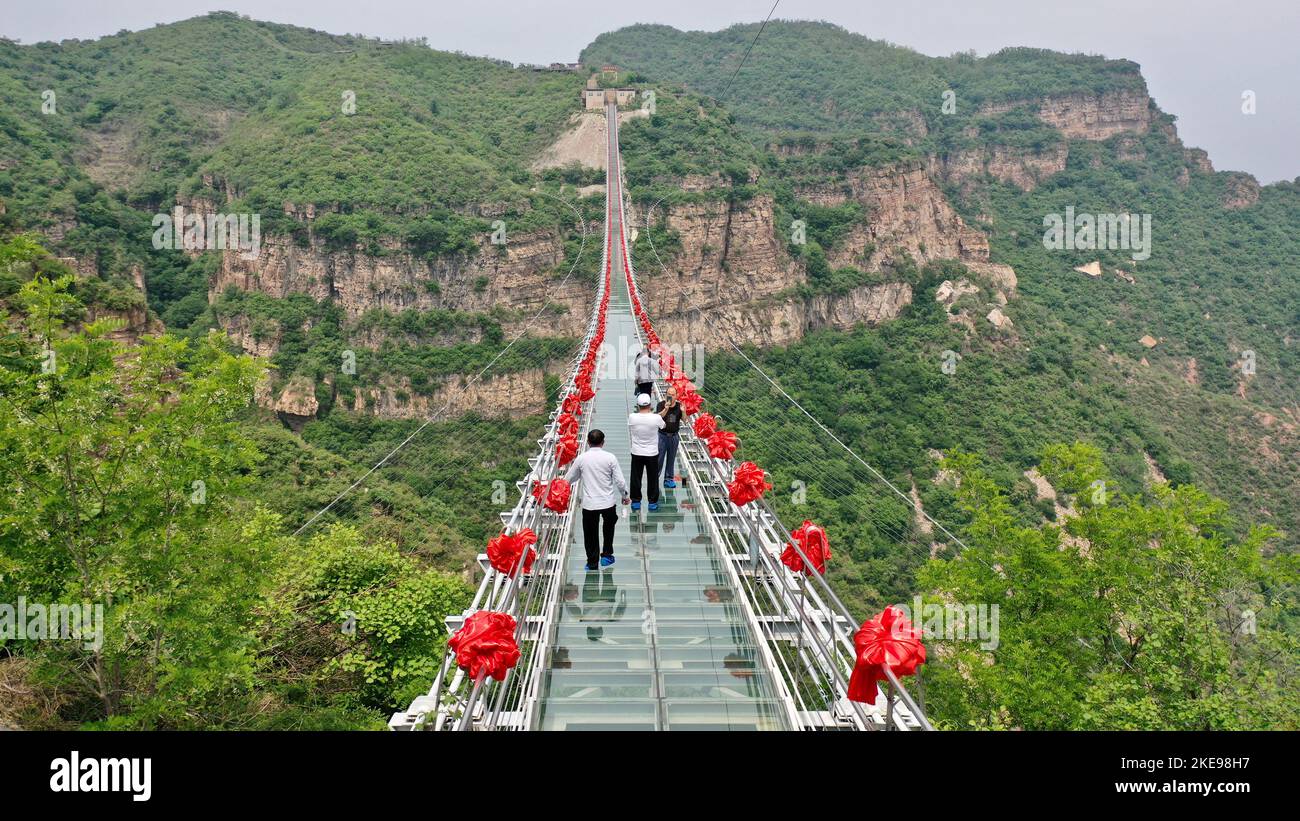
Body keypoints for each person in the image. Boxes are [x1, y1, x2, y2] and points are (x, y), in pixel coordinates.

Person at [564, 429, 629, 570]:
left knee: (590, 533)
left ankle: (592, 562)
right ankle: (606, 555)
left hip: (590, 504)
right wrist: (625, 496)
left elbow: (569, 479)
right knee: (609, 527)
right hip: (608, 502)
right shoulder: (610, 458)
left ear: (588, 442)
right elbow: (620, 481)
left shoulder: (582, 458)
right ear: (603, 442)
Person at [627, 393, 668, 510]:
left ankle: (635, 500)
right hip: (652, 453)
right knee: (653, 478)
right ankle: (652, 501)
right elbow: (663, 426)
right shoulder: (656, 418)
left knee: (636, 477)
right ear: (650, 405)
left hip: (636, 452)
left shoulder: (632, 417)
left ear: (638, 405)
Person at [656, 386, 684, 488]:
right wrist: (666, 408)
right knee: (659, 458)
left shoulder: (679, 406)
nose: (670, 396)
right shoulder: (661, 405)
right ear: (665, 395)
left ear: (676, 396)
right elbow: (658, 417)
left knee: (671, 458)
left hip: (674, 437)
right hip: (662, 436)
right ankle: (655, 478)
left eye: (673, 395)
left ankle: (668, 479)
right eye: (669, 394)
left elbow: (685, 420)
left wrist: (683, 411)